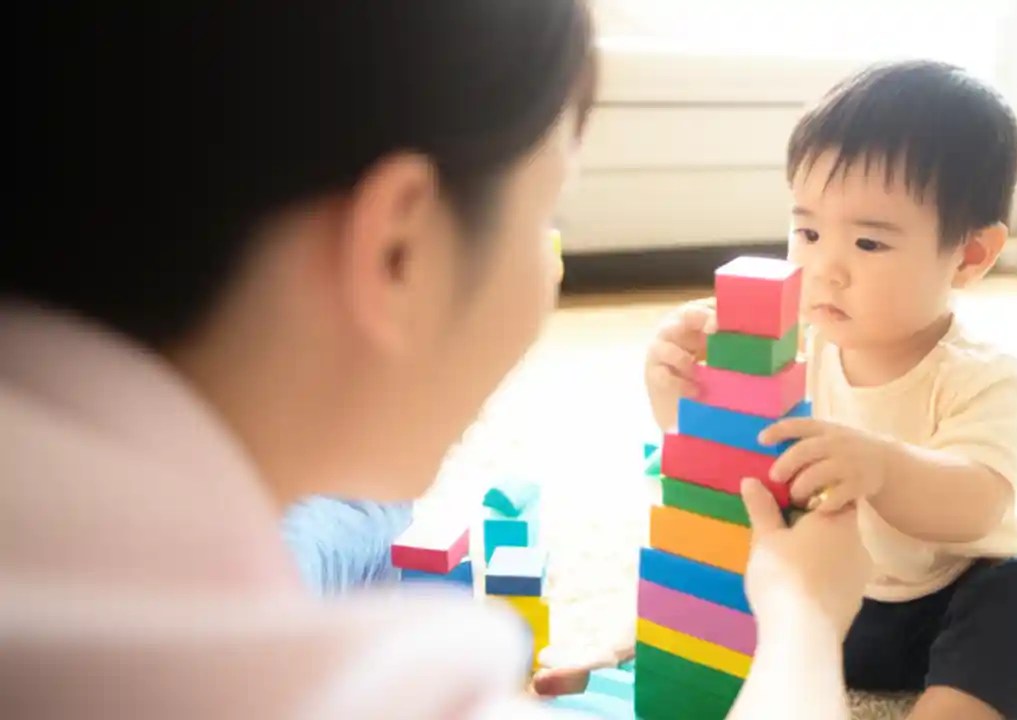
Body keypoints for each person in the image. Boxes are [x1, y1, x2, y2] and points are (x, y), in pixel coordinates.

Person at [0, 3, 871, 718]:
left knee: (366, 515)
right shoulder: (370, 690)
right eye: (547, 220)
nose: (551, 271)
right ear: (399, 253)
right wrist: (801, 620)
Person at [644, 61, 1017, 719]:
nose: (824, 268)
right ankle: (645, 655)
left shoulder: (981, 376)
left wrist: (884, 467)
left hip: (940, 607)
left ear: (969, 255)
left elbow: (978, 502)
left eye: (867, 242)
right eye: (807, 232)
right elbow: (727, 469)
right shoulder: (793, 351)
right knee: (709, 549)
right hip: (813, 600)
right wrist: (679, 387)